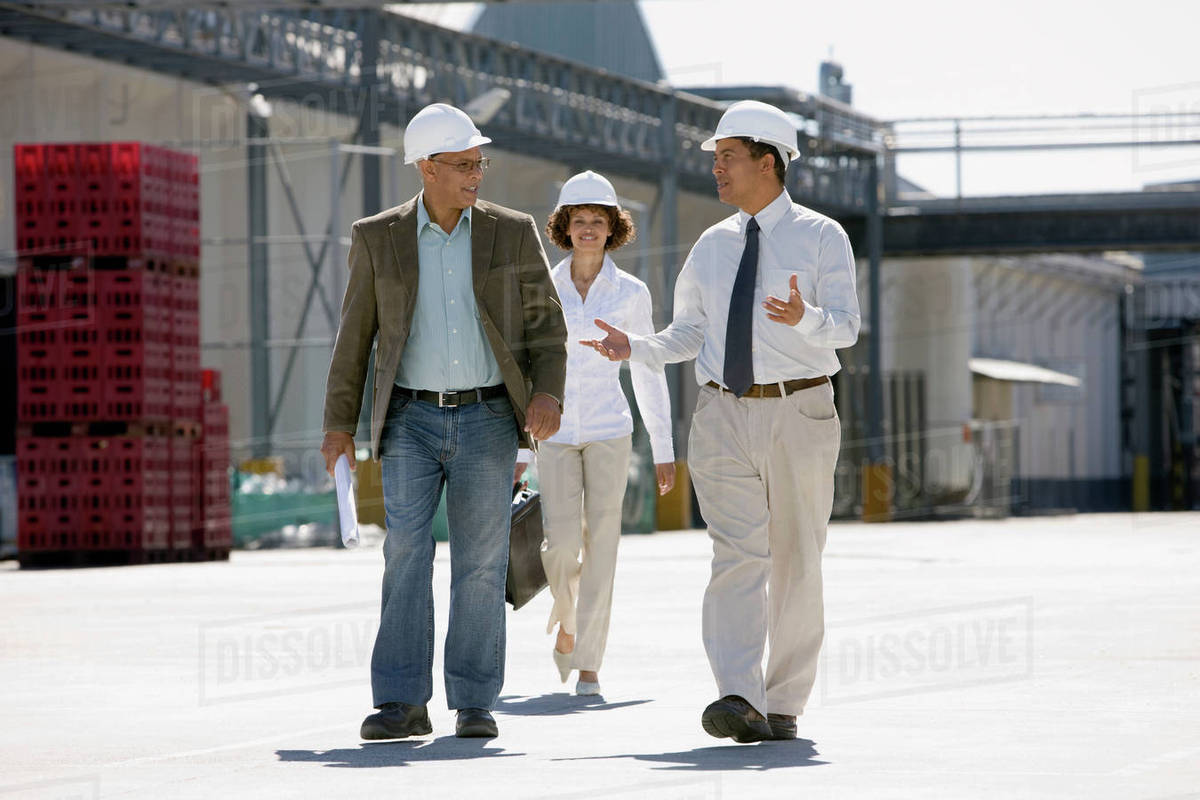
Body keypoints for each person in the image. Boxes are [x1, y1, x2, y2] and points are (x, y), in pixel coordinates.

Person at [580, 100, 861, 743]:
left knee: (796, 560)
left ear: (769, 161)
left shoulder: (823, 237)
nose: (717, 168)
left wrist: (805, 318)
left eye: (727, 156)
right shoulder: (712, 244)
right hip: (722, 415)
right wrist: (637, 348)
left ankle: (783, 700)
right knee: (735, 555)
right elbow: (688, 332)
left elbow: (846, 327)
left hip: (801, 409)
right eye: (716, 159)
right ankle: (739, 694)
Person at [320, 102, 567, 741]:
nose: (476, 173)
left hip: (488, 416)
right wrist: (338, 424)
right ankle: (401, 701)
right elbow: (354, 337)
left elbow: (547, 327)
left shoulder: (511, 233)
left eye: (479, 162)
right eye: (462, 164)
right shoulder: (378, 237)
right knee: (404, 552)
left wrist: (549, 396)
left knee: (482, 560)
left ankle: (475, 699)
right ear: (426, 168)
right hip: (408, 419)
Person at [513, 171, 676, 698]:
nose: (588, 229)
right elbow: (523, 365)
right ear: (564, 227)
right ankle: (566, 617)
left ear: (612, 230)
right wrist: (520, 444)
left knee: (602, 546)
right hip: (554, 434)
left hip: (610, 431)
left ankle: (588, 665)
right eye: (578, 221)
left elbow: (649, 367)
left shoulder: (631, 293)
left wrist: (665, 450)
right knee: (559, 545)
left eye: (597, 222)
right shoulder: (544, 285)